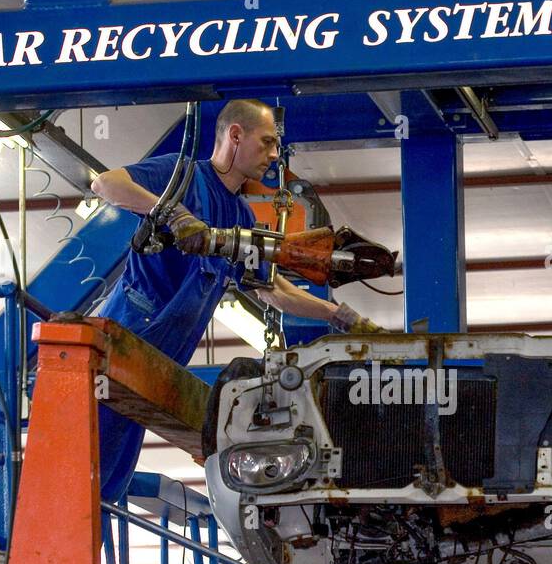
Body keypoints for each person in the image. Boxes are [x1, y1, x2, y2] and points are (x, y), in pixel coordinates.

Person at [89, 98, 382, 500]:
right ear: (235, 135)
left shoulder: (242, 218)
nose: (274, 155)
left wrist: (342, 317)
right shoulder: (184, 175)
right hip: (122, 340)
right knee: (84, 467)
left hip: (160, 360)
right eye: (266, 143)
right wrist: (171, 214)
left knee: (109, 480)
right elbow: (105, 183)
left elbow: (273, 289)